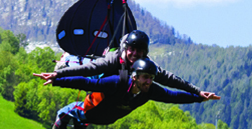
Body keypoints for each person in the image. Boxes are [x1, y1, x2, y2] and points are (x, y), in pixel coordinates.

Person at [36, 57, 217, 129]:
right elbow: (87, 82)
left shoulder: (149, 91)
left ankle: (80, 123)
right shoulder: (118, 82)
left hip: (106, 117)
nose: (148, 81)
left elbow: (173, 96)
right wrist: (57, 79)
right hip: (91, 109)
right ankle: (64, 115)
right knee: (80, 112)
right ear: (135, 76)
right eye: (145, 77)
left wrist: (199, 98)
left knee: (95, 121)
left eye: (151, 78)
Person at [37, 30, 220, 101]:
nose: (134, 54)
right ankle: (67, 61)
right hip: (102, 74)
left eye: (139, 51)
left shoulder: (146, 66)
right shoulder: (113, 59)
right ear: (126, 48)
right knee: (92, 77)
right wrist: (59, 76)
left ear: (145, 53)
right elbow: (88, 70)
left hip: (119, 86)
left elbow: (171, 81)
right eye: (132, 50)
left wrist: (197, 92)